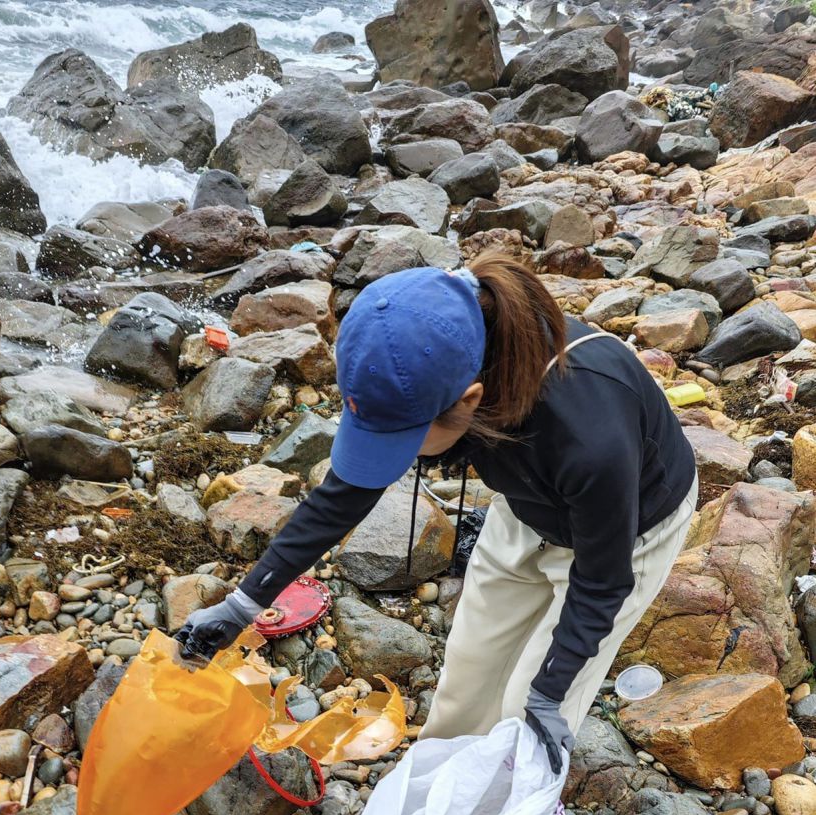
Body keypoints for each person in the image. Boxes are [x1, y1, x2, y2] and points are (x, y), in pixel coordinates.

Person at [175, 254, 698, 774]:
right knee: (464, 685)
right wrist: (243, 605)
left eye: (403, 441)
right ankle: (433, 804)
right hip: (526, 507)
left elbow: (603, 583)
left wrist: (550, 693)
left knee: (527, 718)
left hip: (628, 528)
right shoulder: (425, 354)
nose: (393, 456)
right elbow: (344, 494)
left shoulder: (590, 436)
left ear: (471, 401)